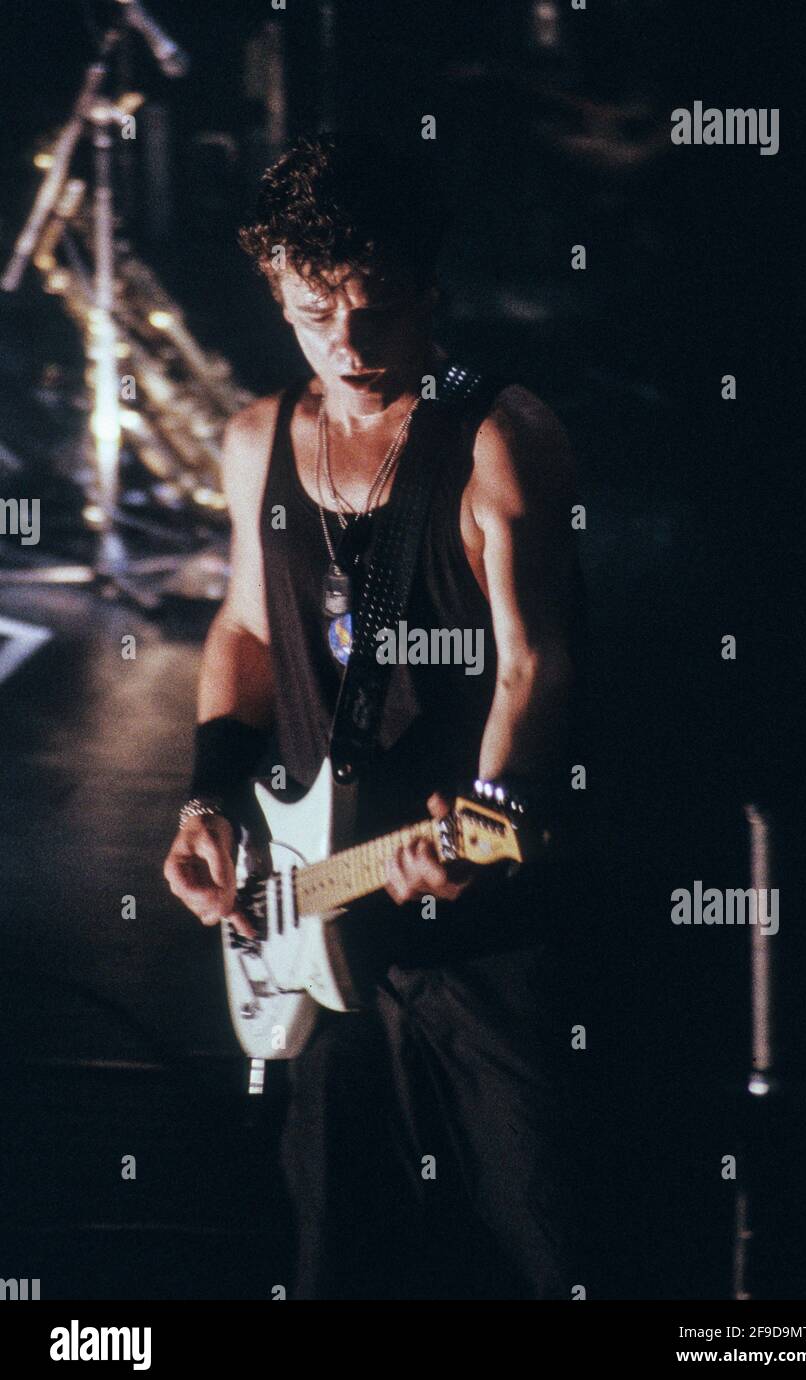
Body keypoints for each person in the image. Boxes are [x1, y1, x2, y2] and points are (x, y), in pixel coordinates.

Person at [163, 130, 584, 1299]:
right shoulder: (256, 441)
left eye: (373, 303)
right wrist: (207, 795)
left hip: (486, 925)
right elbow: (246, 629)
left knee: (560, 1239)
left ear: (427, 285)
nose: (343, 341)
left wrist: (490, 818)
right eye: (310, 310)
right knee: (338, 1254)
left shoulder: (501, 436)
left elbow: (534, 665)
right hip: (322, 910)